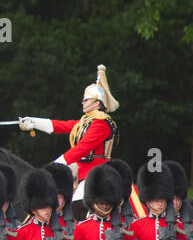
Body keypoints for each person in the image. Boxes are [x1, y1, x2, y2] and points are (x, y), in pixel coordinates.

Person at [18, 64, 120, 197]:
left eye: (86, 99)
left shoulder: (101, 123)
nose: (83, 102)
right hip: (82, 170)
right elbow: (63, 126)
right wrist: (34, 122)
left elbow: (81, 149)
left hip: (97, 171)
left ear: (97, 103)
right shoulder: (88, 121)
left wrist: (55, 166)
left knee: (77, 199)